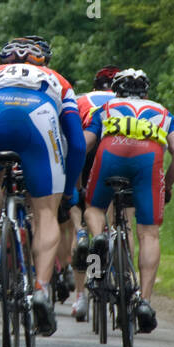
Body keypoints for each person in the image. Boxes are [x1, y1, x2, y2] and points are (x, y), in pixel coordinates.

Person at [0, 35, 84, 336]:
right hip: (39, 118)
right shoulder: (59, 81)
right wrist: (67, 192)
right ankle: (41, 289)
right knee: (45, 210)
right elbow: (78, 145)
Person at [82, 68, 174, 334]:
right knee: (149, 234)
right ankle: (144, 301)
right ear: (146, 92)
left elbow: (86, 143)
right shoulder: (163, 112)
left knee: (94, 208)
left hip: (111, 153)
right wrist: (168, 184)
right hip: (148, 160)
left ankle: (98, 238)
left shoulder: (106, 107)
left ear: (117, 91)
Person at [70, 65, 119, 320]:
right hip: (122, 153)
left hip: (87, 153)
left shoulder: (81, 101)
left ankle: (82, 297)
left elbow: (75, 142)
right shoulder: (133, 102)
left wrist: (75, 185)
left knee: (82, 211)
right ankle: (121, 276)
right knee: (123, 222)